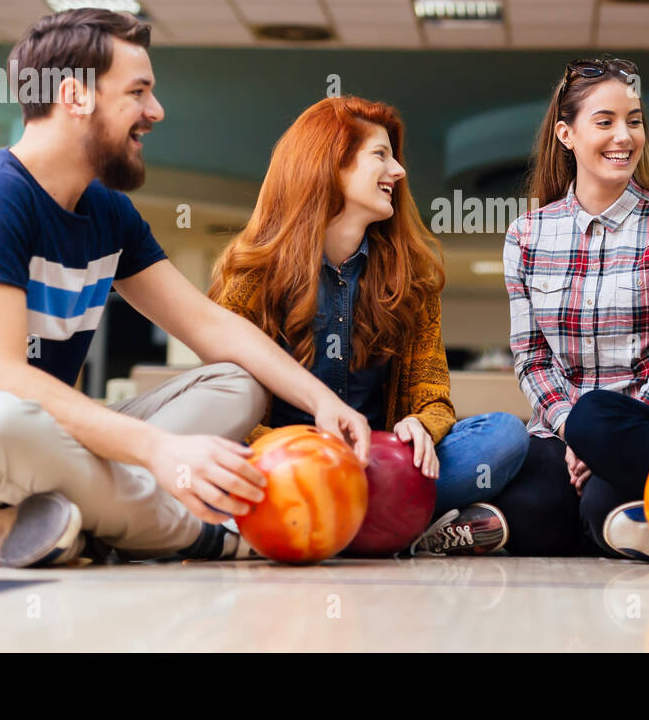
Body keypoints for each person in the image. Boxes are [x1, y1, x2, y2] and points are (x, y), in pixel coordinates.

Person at [0, 9, 370, 568]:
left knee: (237, 384)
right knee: (3, 418)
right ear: (74, 95)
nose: (155, 112)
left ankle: (51, 524)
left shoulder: (108, 213)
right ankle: (193, 533)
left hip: (33, 457)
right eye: (138, 92)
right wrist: (161, 451)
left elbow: (209, 326)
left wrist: (321, 401)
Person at [209, 96, 529, 556]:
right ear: (329, 165)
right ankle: (391, 525)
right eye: (381, 155)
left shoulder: (411, 280)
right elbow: (228, 409)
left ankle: (320, 524)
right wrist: (310, 454)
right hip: (286, 463)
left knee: (505, 435)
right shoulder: (252, 277)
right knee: (214, 444)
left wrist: (421, 424)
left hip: (378, 461)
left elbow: (433, 396)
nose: (398, 171)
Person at [493, 59, 649, 556]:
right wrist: (575, 431)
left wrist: (606, 435)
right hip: (561, 430)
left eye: (633, 120)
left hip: (646, 426)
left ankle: (637, 514)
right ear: (566, 134)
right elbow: (531, 358)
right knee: (531, 510)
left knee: (595, 501)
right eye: (605, 121)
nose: (624, 136)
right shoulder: (527, 235)